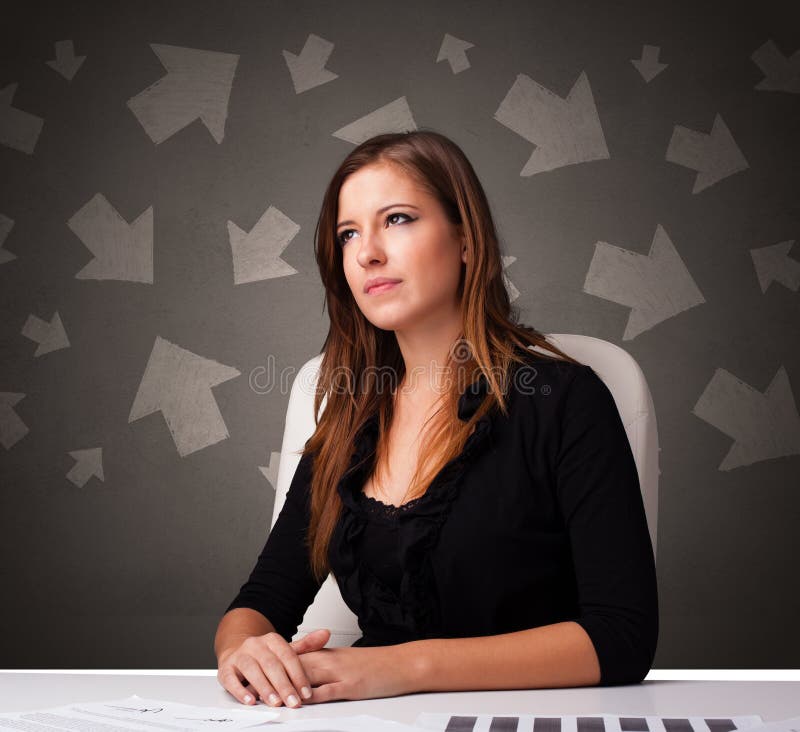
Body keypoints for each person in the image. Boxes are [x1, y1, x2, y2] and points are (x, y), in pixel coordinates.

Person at [214, 129, 659, 708]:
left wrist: (402, 666)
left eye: (396, 219)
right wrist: (243, 651)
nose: (366, 251)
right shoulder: (349, 418)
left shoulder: (566, 400)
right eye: (348, 234)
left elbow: (622, 636)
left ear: (467, 240)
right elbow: (260, 603)